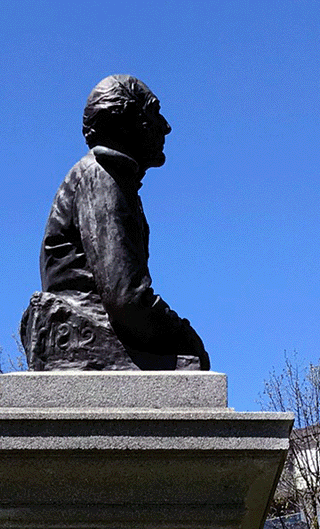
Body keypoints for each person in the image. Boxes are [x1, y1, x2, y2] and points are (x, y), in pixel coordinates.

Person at [19, 75, 210, 373]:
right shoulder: (102, 178)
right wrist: (180, 332)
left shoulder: (112, 180)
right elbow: (126, 299)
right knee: (190, 358)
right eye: (153, 112)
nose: (165, 126)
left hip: (97, 324)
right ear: (126, 123)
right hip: (89, 326)